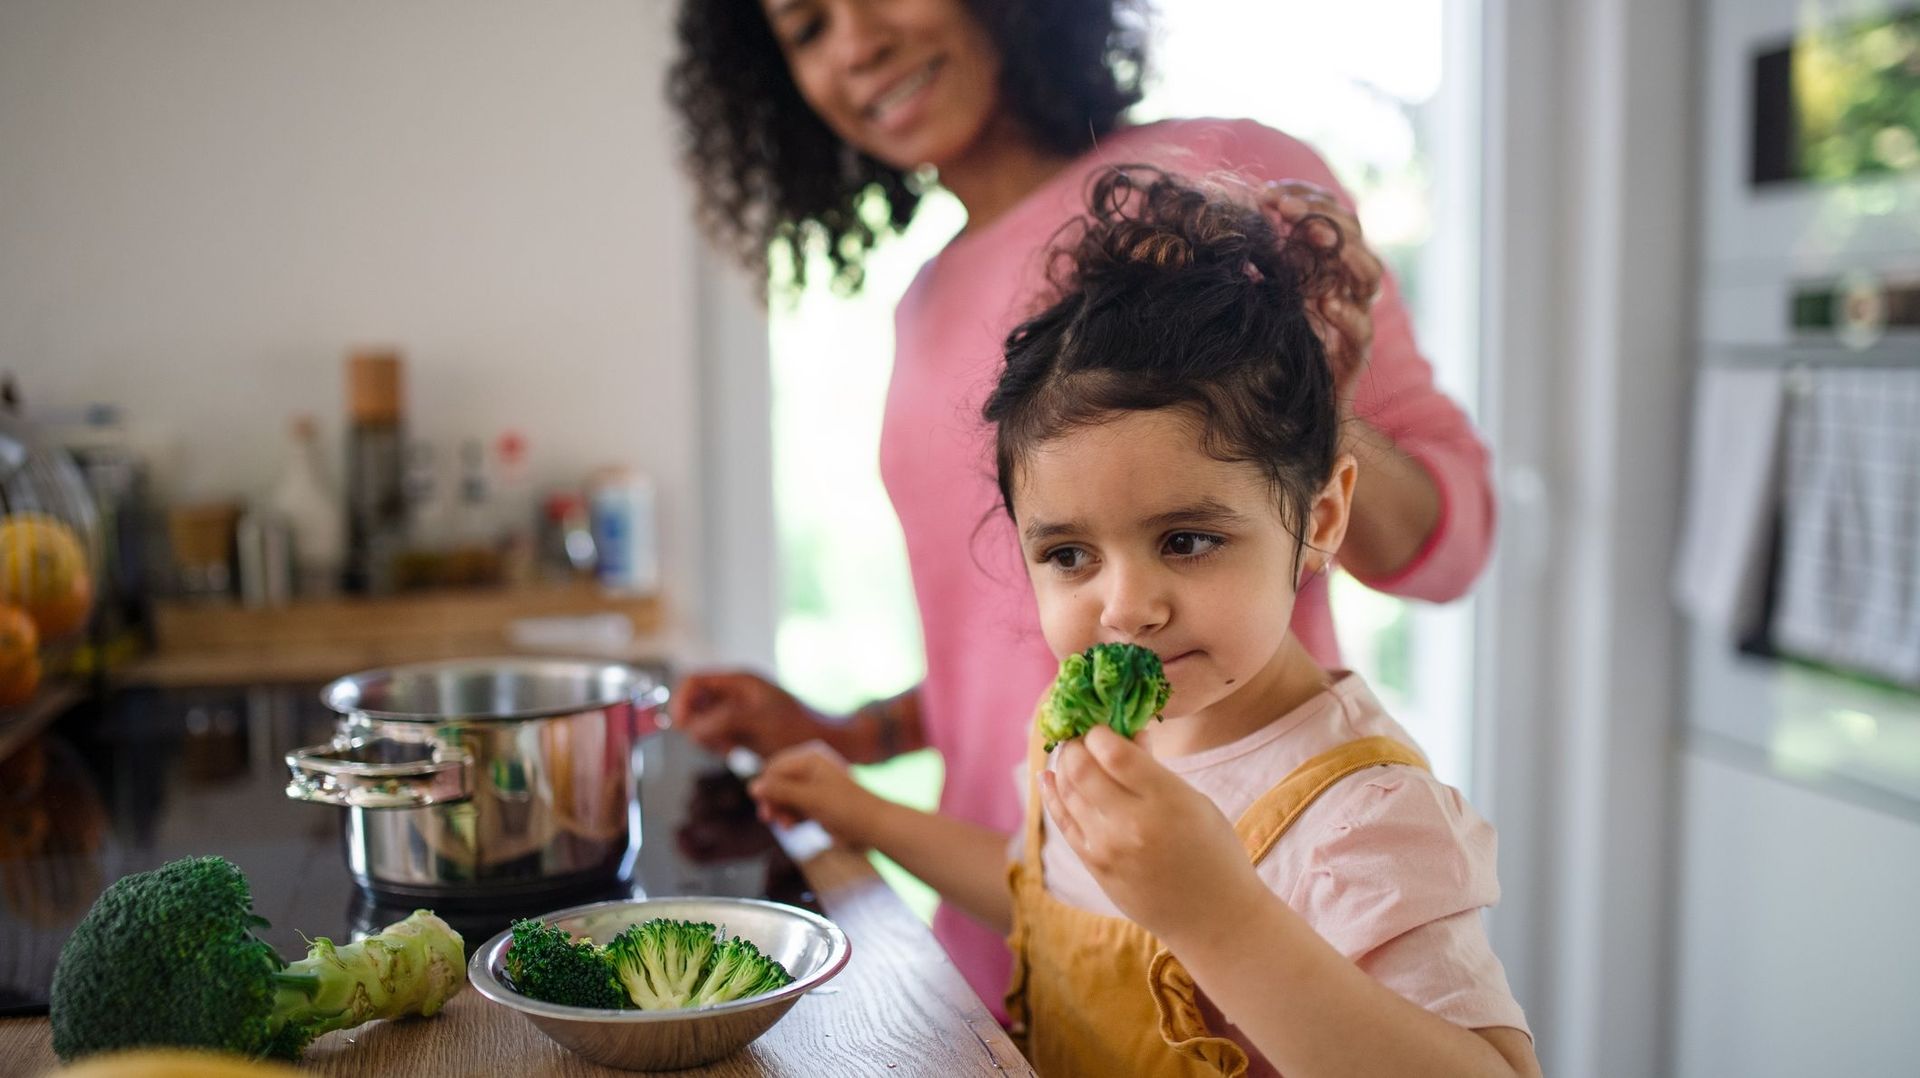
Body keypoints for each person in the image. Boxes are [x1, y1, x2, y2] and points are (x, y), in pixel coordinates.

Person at [667, 0, 1496, 1014]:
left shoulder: (1227, 178)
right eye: (805, 27)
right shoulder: (920, 308)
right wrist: (854, 734)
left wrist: (1314, 398)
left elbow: (1452, 549)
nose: (856, 43)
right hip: (998, 936)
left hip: (1228, 956)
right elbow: (1014, 641)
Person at [749, 168, 1537, 1077]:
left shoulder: (1363, 812)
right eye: (1070, 556)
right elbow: (1046, 894)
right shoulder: (1089, 729)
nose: (1125, 607)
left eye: (1189, 539)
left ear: (1318, 518)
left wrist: (1218, 916)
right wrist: (866, 813)